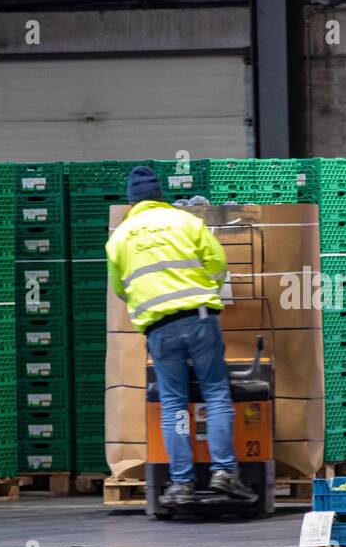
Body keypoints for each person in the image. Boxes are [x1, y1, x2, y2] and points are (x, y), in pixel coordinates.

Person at [105, 165, 256, 507]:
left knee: (173, 403)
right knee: (215, 393)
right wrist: (209, 292)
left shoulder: (120, 238)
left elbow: (120, 289)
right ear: (160, 197)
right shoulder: (186, 221)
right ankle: (223, 473)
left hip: (159, 329)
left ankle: (182, 482)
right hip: (199, 319)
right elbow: (218, 264)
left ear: (132, 204)